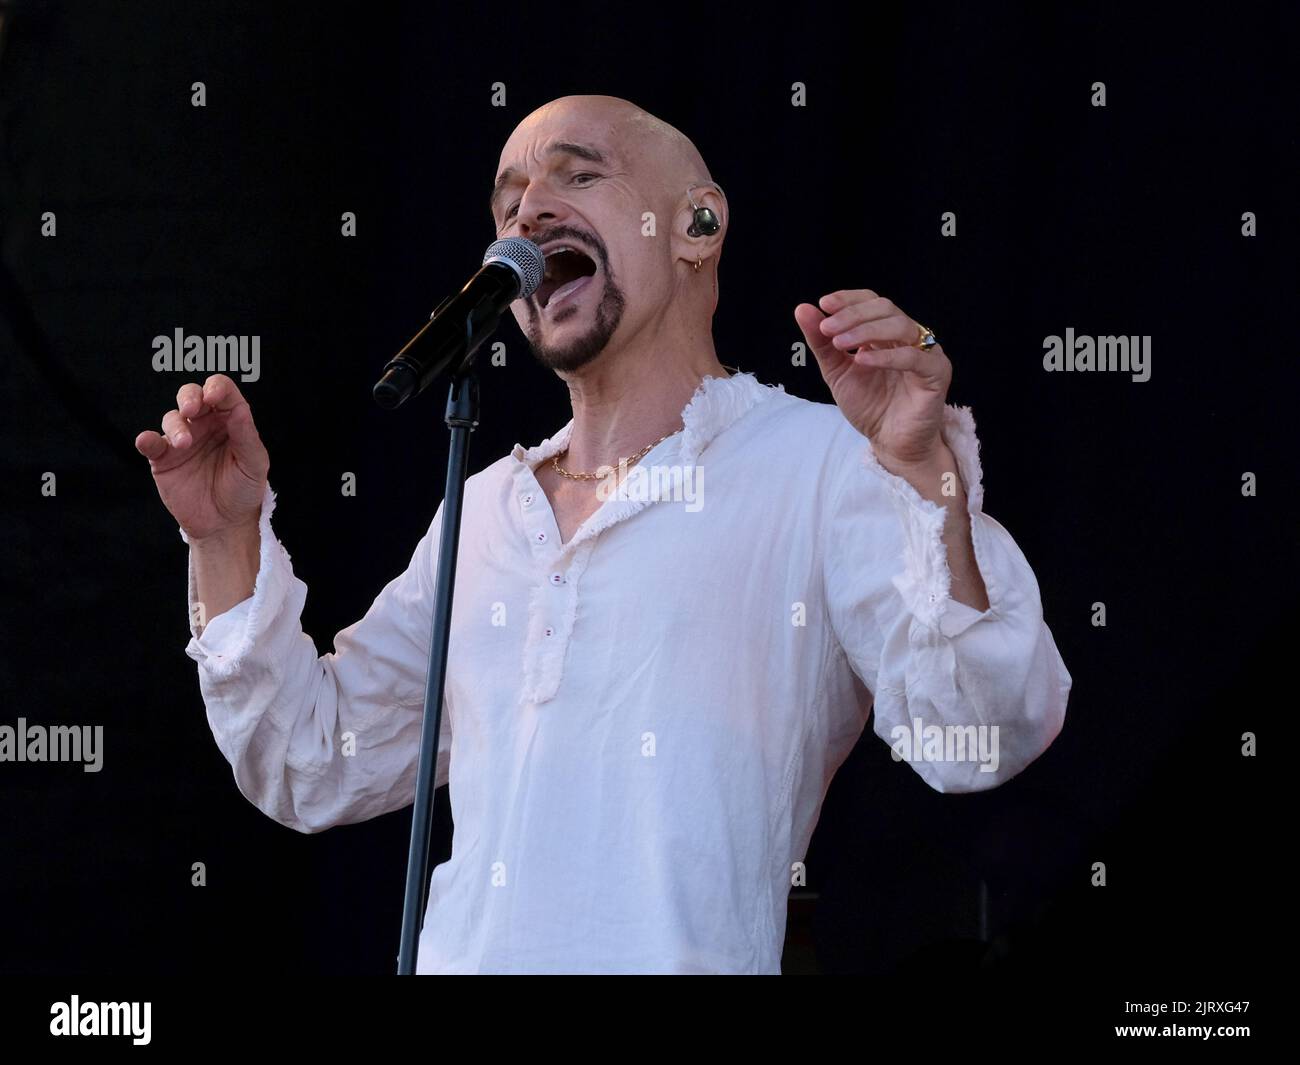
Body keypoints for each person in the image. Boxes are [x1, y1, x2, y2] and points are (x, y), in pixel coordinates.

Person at [135, 95, 1071, 974]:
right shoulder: (492, 505)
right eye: (507, 198)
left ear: (698, 228)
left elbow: (976, 734)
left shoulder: (823, 464)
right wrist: (225, 539)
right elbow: (314, 759)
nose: (529, 210)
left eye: (577, 177)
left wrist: (923, 476)